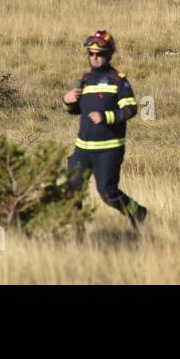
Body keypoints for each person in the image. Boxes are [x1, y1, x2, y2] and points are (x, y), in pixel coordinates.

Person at [63, 30, 147, 227]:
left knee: (108, 193)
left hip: (108, 150)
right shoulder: (85, 80)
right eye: (91, 53)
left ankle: (139, 213)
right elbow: (76, 110)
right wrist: (67, 101)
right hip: (82, 149)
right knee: (71, 192)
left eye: (99, 54)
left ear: (109, 55)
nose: (94, 57)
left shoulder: (118, 81)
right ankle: (77, 233)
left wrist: (106, 117)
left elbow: (130, 109)